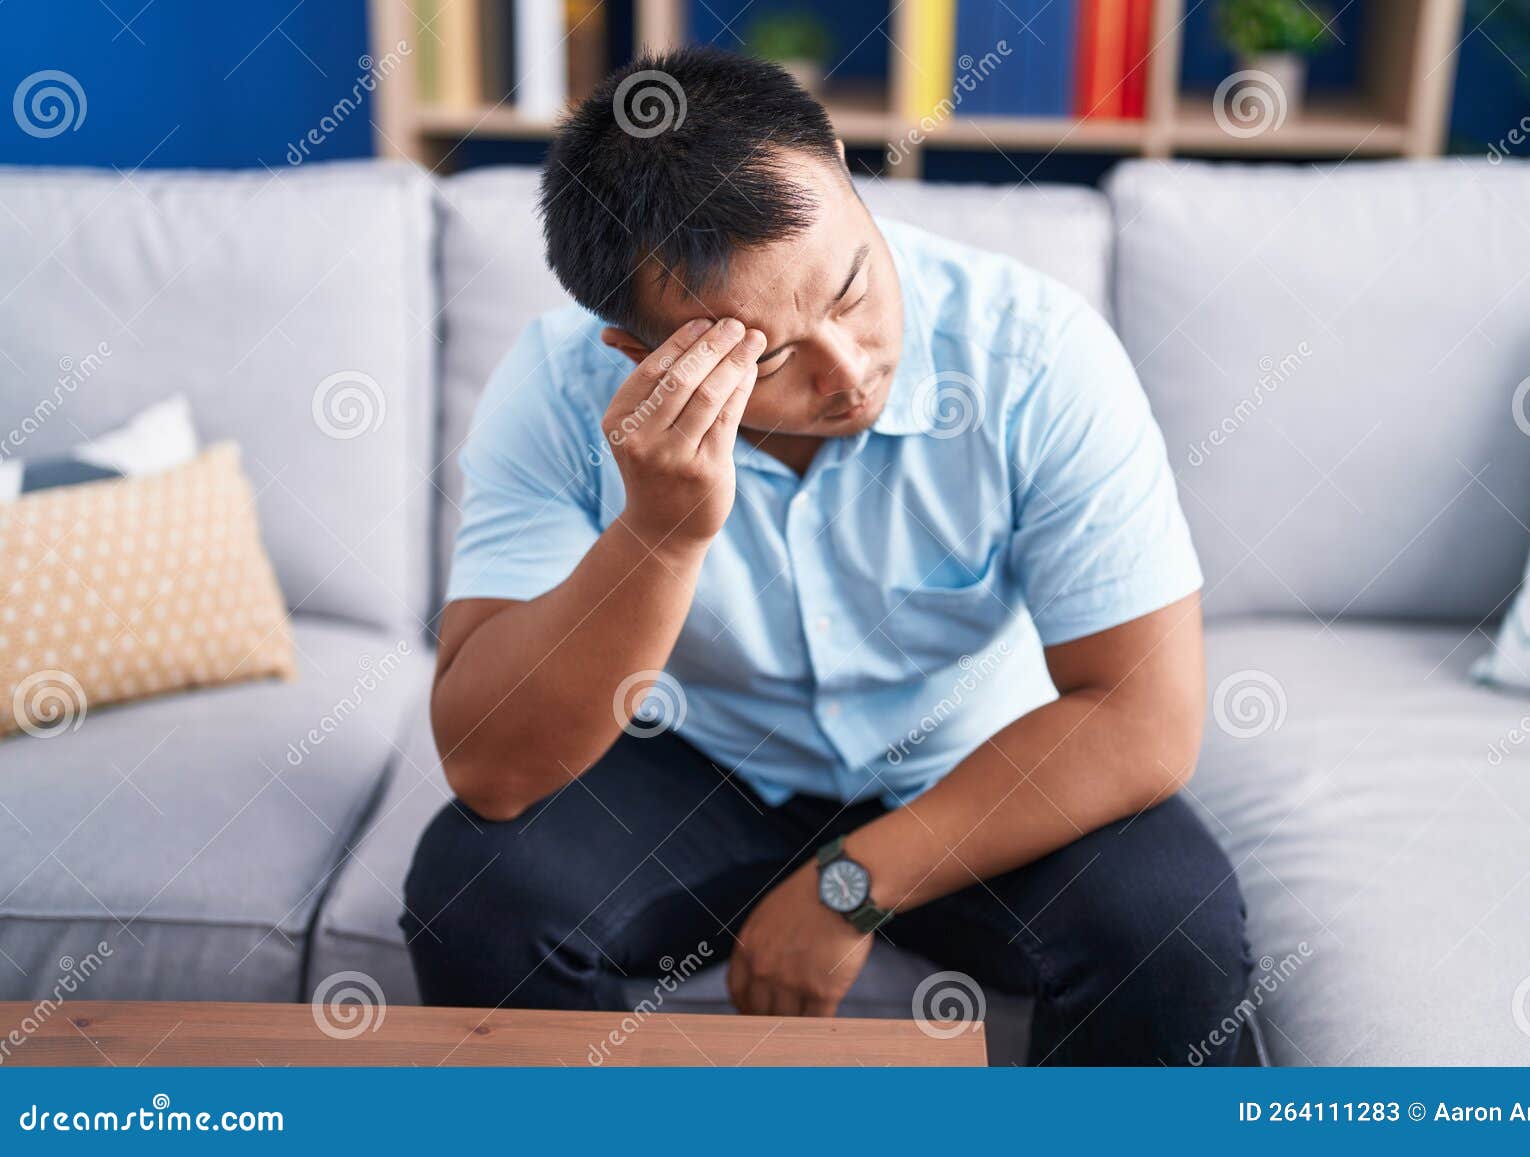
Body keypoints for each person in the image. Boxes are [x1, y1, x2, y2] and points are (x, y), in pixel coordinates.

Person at [403, 45, 1249, 1066]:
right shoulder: (554, 389)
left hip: (969, 757)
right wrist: (659, 533)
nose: (849, 374)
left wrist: (850, 885)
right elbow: (488, 767)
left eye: (850, 290)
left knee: (1170, 930)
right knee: (474, 897)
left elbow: (1144, 717)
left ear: (843, 167)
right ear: (639, 353)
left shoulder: (1035, 353)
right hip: (701, 756)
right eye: (767, 358)